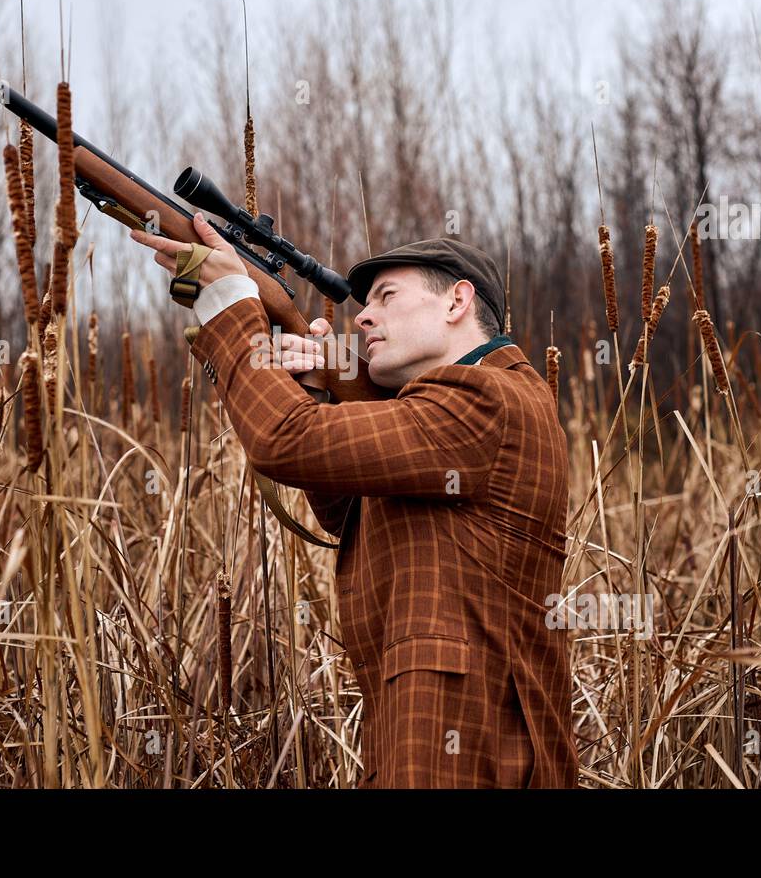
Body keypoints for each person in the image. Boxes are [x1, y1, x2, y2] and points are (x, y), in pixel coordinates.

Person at [133, 214, 575, 788]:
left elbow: (284, 440)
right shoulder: (456, 412)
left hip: (474, 759)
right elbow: (349, 512)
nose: (363, 314)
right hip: (429, 750)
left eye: (387, 296)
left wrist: (232, 309)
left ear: (457, 302)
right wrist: (324, 381)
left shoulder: (488, 399)